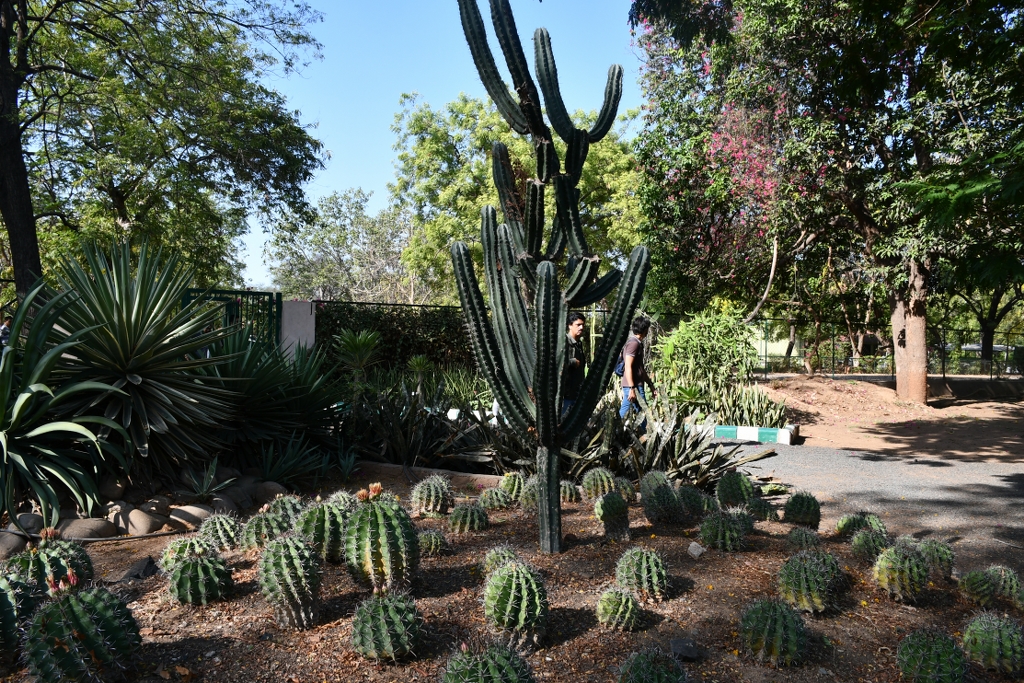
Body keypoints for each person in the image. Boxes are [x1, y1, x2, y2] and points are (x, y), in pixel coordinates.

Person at [619, 316, 656, 429]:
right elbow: (628, 366)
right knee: (643, 411)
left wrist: (651, 385)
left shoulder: (637, 343)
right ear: (645, 330)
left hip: (635, 385)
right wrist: (632, 388)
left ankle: (615, 430)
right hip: (633, 386)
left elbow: (640, 369)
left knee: (631, 410)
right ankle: (646, 434)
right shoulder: (633, 344)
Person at [561, 312, 587, 416]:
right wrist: (571, 361)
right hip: (566, 394)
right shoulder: (564, 342)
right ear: (570, 325)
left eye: (583, 325)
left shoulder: (578, 344)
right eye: (578, 325)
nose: (581, 327)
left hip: (577, 392)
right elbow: (556, 362)